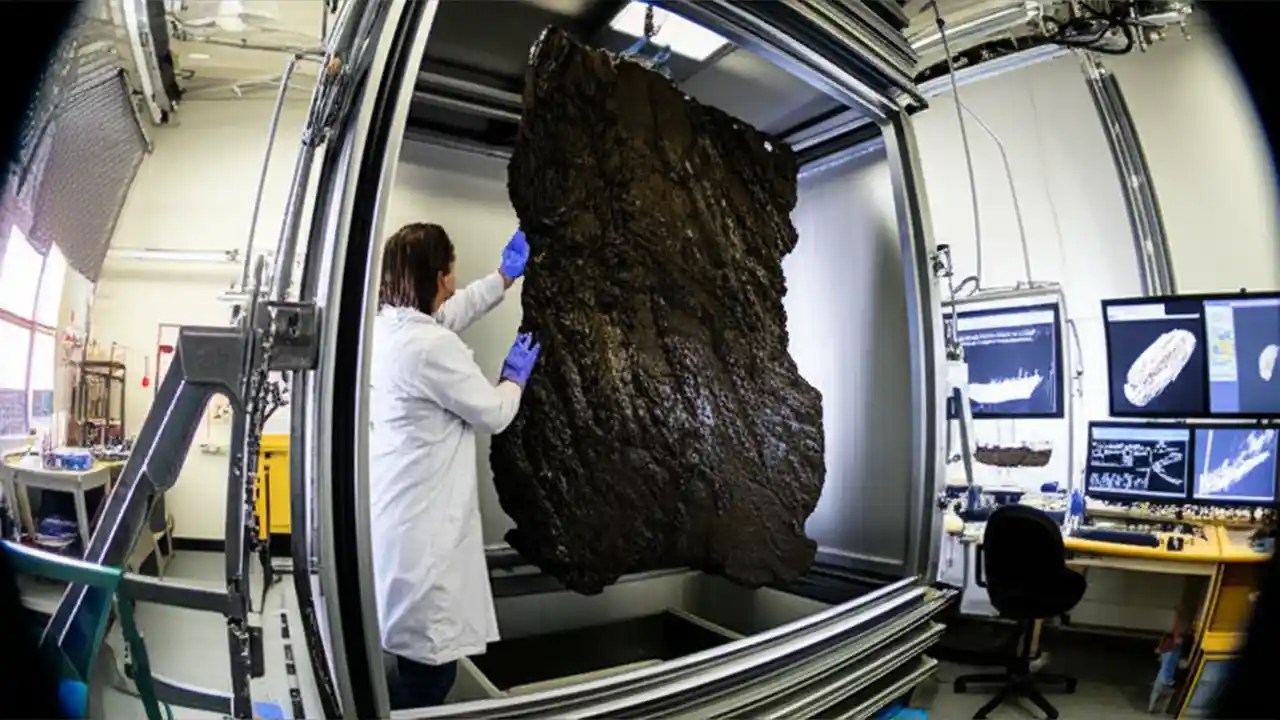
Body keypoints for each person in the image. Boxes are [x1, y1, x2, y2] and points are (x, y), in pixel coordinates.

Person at [368, 222, 541, 709]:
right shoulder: (428, 347)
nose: (454, 275)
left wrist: (503, 278)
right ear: (440, 274)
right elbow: (493, 414)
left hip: (400, 525)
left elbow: (449, 315)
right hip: (426, 538)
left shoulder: (390, 330)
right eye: (452, 265)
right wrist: (513, 379)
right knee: (430, 679)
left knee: (415, 664)